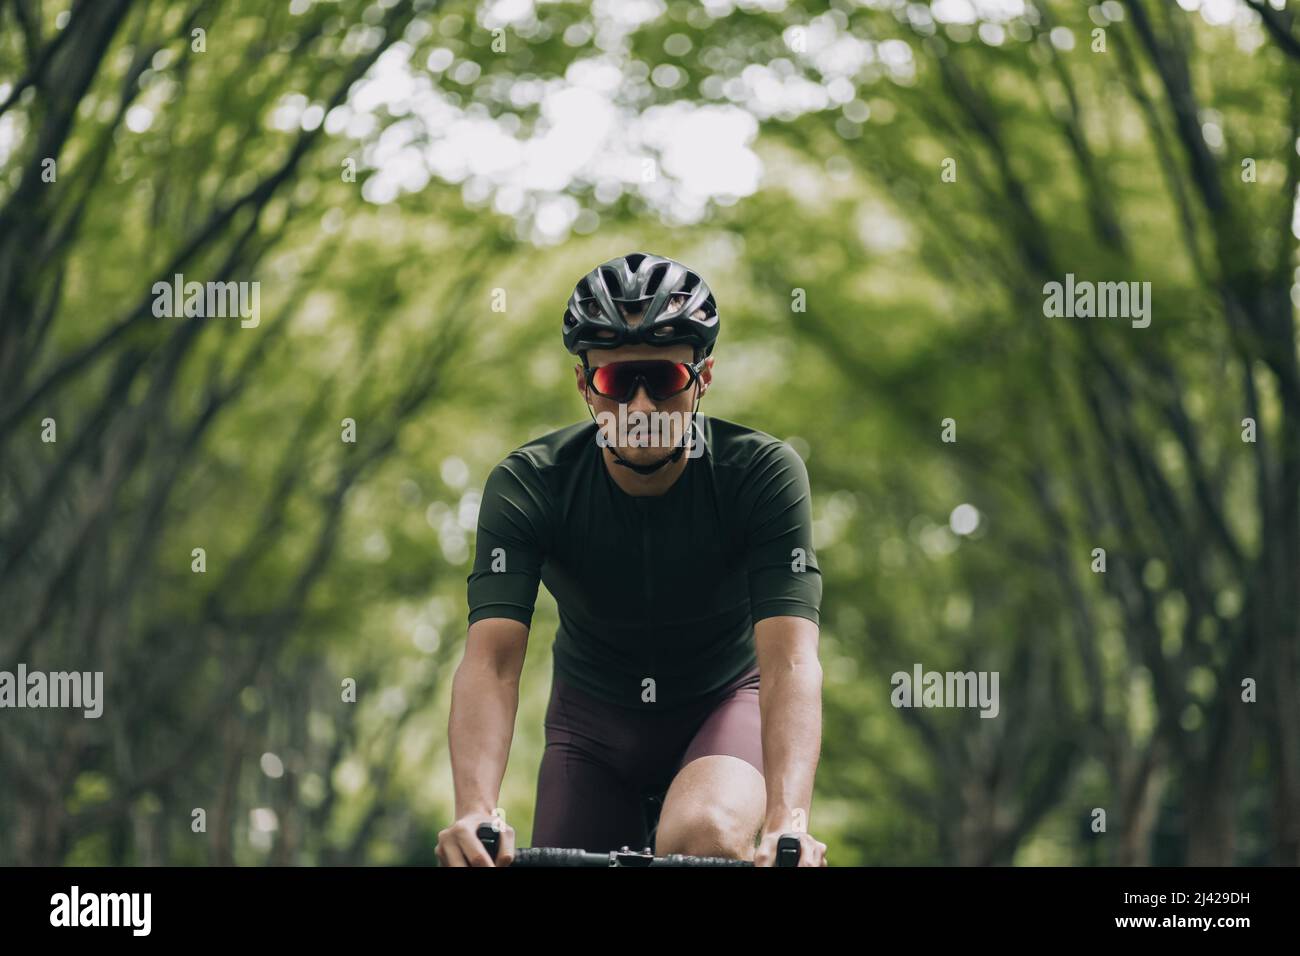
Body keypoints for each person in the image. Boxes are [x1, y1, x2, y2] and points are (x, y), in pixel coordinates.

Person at [436, 252, 828, 866]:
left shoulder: (762, 475)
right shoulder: (530, 483)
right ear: (585, 386)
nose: (640, 409)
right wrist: (475, 810)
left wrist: (787, 820)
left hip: (724, 704)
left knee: (703, 833)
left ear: (702, 378)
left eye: (664, 379)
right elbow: (491, 662)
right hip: (591, 730)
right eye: (618, 382)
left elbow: (791, 661)